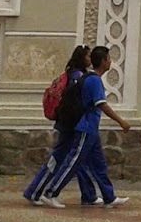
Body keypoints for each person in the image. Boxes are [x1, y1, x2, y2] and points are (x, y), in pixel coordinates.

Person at [36, 44, 132, 210]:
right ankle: (51, 193)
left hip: (91, 130)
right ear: (103, 61)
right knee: (73, 162)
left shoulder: (91, 79)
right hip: (85, 128)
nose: (110, 62)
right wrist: (121, 121)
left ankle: (109, 196)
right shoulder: (94, 81)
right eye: (108, 59)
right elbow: (101, 105)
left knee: (99, 164)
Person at [23, 45, 99, 206]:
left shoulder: (72, 74)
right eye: (88, 56)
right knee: (58, 158)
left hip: (68, 123)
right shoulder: (78, 77)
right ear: (82, 58)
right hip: (71, 124)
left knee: (78, 160)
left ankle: (89, 194)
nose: (90, 59)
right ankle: (34, 191)